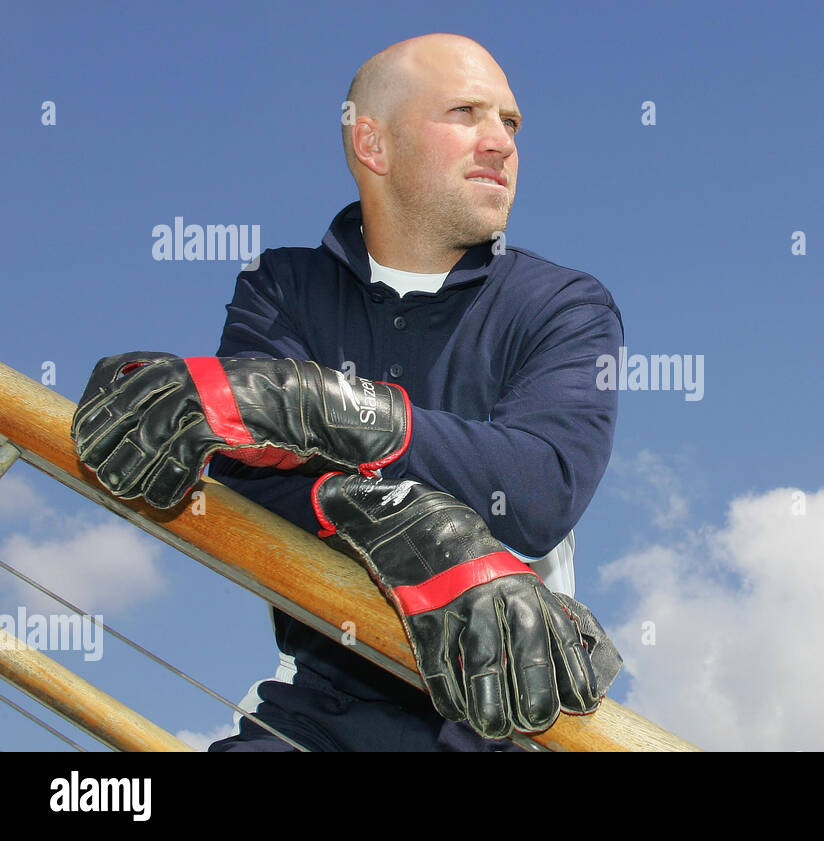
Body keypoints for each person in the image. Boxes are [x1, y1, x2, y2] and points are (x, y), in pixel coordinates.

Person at [69, 33, 623, 751]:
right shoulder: (282, 286)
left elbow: (537, 488)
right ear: (374, 145)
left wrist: (311, 408)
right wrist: (403, 516)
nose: (500, 143)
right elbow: (241, 475)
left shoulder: (564, 303)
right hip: (323, 698)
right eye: (466, 113)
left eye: (510, 123)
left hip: (499, 699)